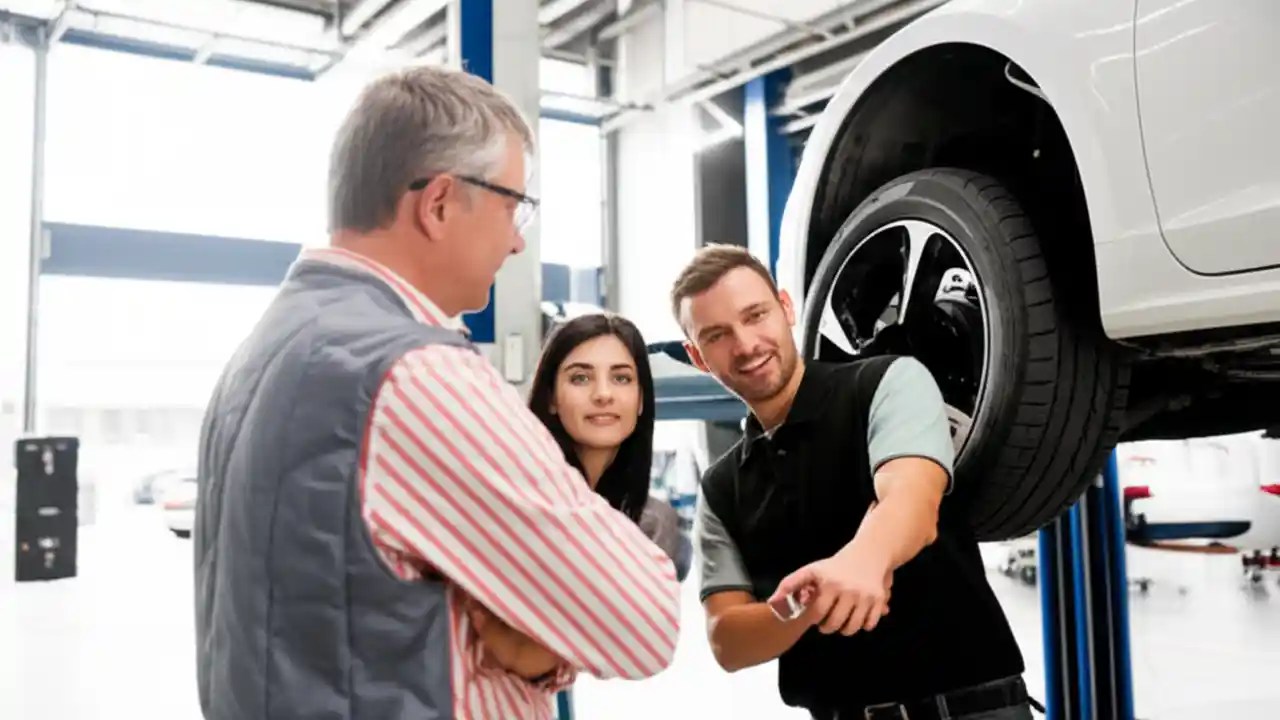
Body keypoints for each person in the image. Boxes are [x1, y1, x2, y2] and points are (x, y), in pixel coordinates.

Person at [193, 65, 679, 720]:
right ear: (440, 202)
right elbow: (643, 620)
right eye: (514, 206)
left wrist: (535, 631)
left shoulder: (263, 353)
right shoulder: (418, 375)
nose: (515, 240)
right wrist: (545, 629)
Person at [671, 244, 1030, 720]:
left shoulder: (887, 384)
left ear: (785, 307)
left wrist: (862, 561)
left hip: (968, 711)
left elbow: (911, 501)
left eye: (755, 315)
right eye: (718, 335)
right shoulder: (721, 488)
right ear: (698, 356)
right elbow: (727, 639)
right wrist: (804, 605)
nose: (745, 344)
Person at [527, 313, 692, 580]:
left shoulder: (654, 523)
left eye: (621, 378)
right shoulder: (523, 500)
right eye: (580, 378)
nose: (603, 394)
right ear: (551, 398)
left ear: (641, 400)